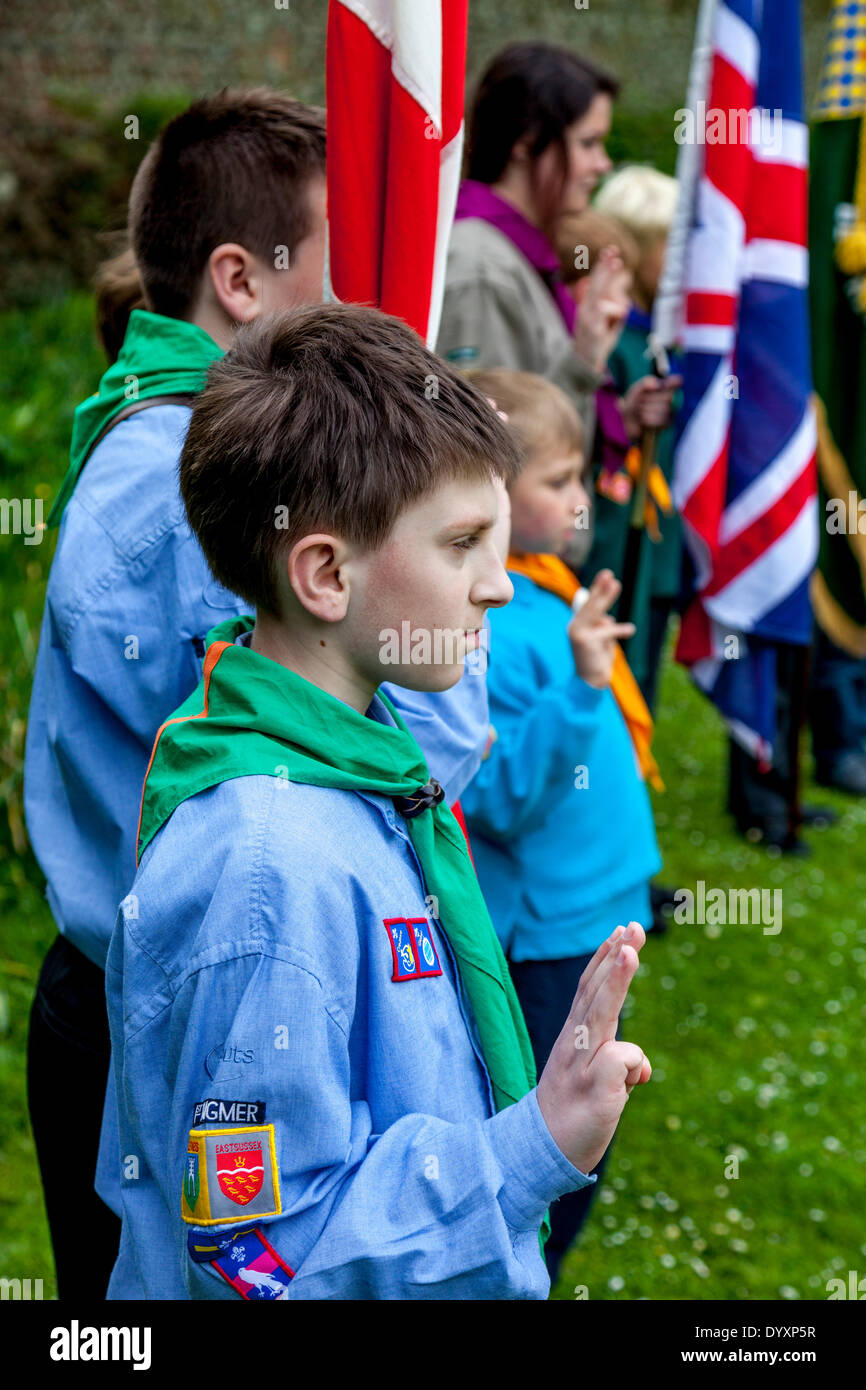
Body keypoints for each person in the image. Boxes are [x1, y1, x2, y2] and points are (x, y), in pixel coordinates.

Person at [23, 89, 488, 1299]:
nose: (376, 288)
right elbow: (416, 751)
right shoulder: (189, 484)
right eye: (349, 252)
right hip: (205, 998)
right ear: (239, 278)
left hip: (169, 979)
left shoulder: (151, 431)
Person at [102, 303, 652, 1300]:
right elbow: (262, 1261)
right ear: (324, 574)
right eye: (462, 542)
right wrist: (529, 1146)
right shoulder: (271, 868)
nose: (498, 586)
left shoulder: (359, 758)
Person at [458, 367, 662, 1284]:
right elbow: (500, 795)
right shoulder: (494, 624)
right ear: (495, 496)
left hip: (595, 917)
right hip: (549, 939)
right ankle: (504, 1274)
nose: (582, 499)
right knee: (555, 1139)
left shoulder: (546, 589)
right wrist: (581, 685)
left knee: (594, 1116)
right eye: (560, 480)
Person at [436, 41, 676, 458]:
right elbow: (486, 453)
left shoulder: (517, 256)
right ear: (525, 142)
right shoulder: (482, 269)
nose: (603, 163)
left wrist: (618, 418)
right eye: (588, 143)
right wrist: (581, 364)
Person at [588, 165, 683, 711]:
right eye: (669, 244)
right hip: (612, 539)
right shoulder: (613, 340)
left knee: (644, 667)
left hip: (657, 545)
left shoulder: (667, 338)